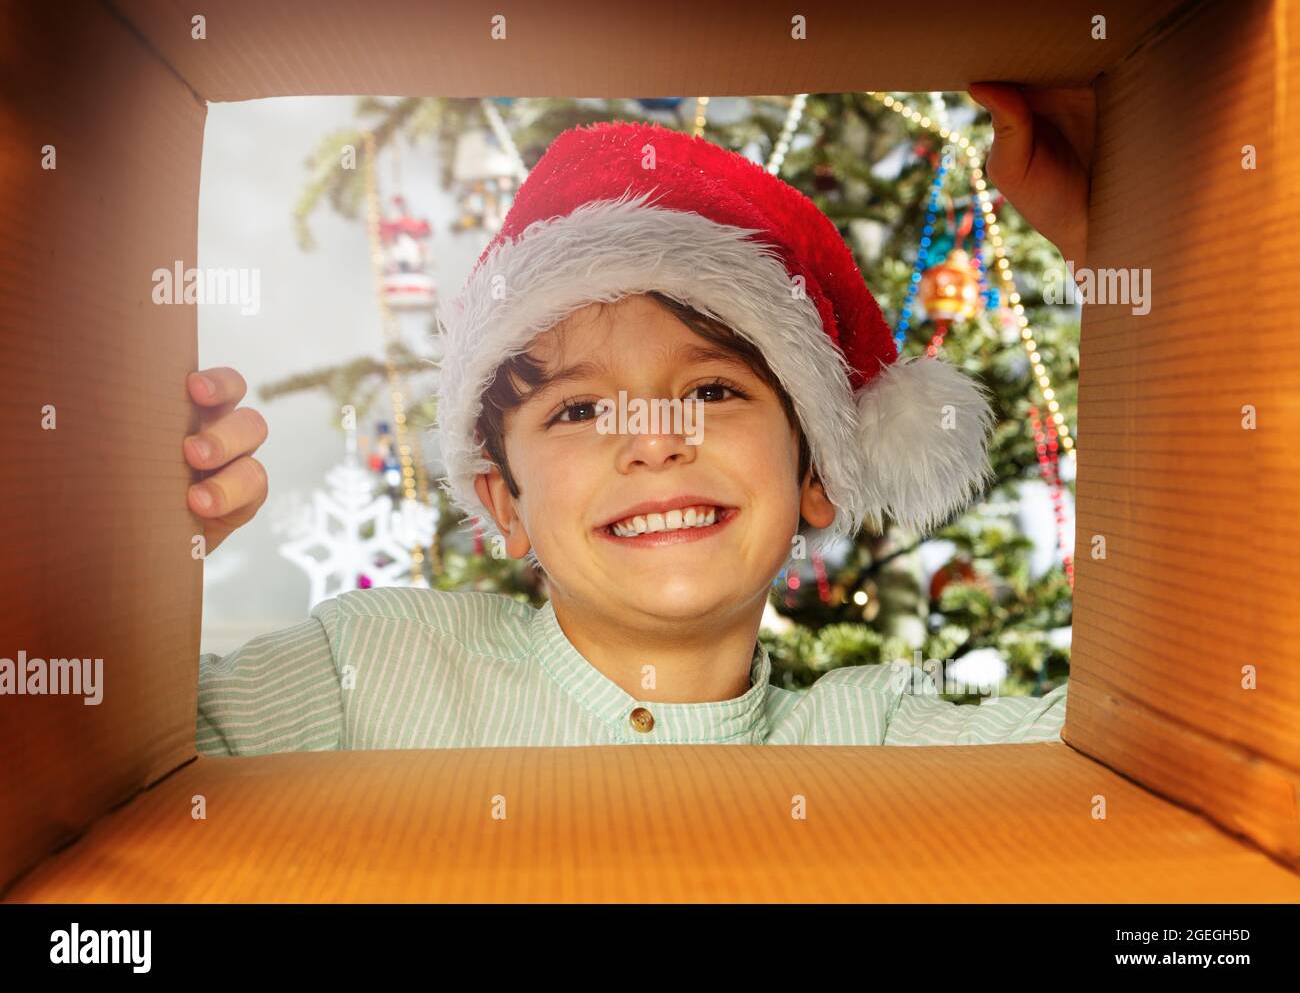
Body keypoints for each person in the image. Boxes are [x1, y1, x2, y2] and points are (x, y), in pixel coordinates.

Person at [188, 85, 1093, 755]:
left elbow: (1175, 758)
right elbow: (99, 779)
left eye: (711, 392)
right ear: (503, 502)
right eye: (579, 409)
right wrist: (128, 553)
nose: (656, 438)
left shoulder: (878, 738)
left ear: (816, 472)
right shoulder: (371, 672)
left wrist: (1114, 244)